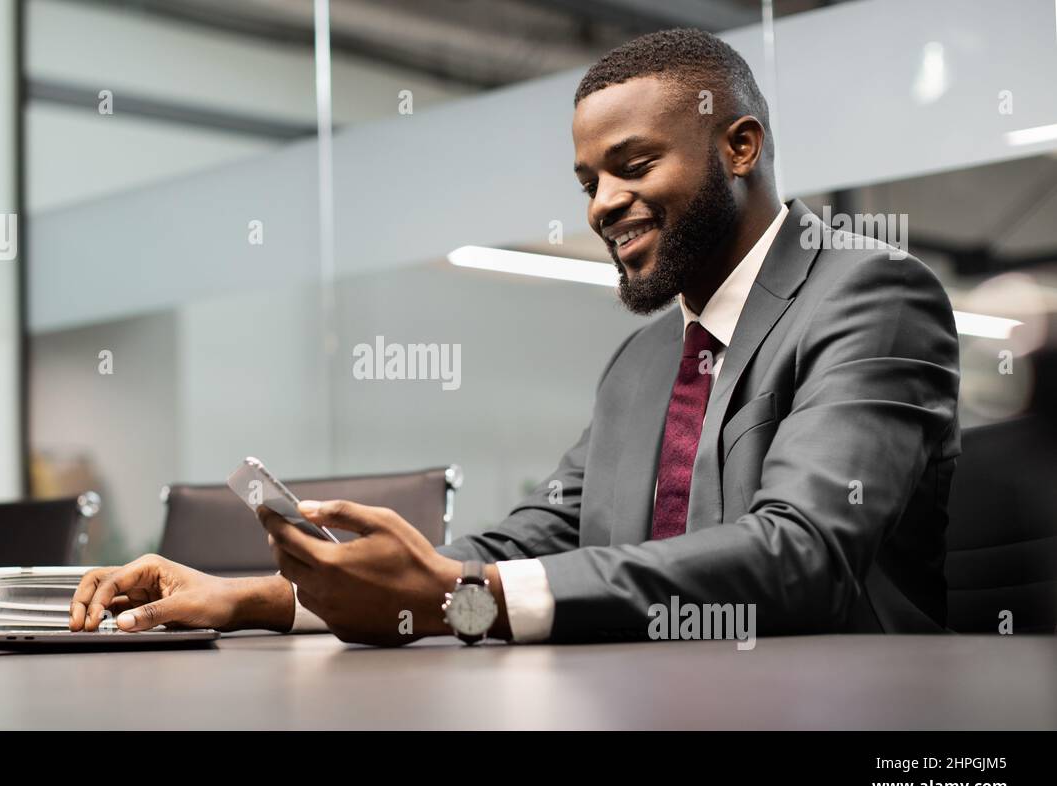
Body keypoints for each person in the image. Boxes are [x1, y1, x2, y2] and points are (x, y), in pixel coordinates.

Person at [70, 28, 960, 645]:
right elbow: (528, 542)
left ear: (740, 145)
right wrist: (258, 598)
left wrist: (468, 600)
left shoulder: (871, 294)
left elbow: (800, 553)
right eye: (588, 180)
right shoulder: (646, 361)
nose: (602, 203)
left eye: (634, 163)